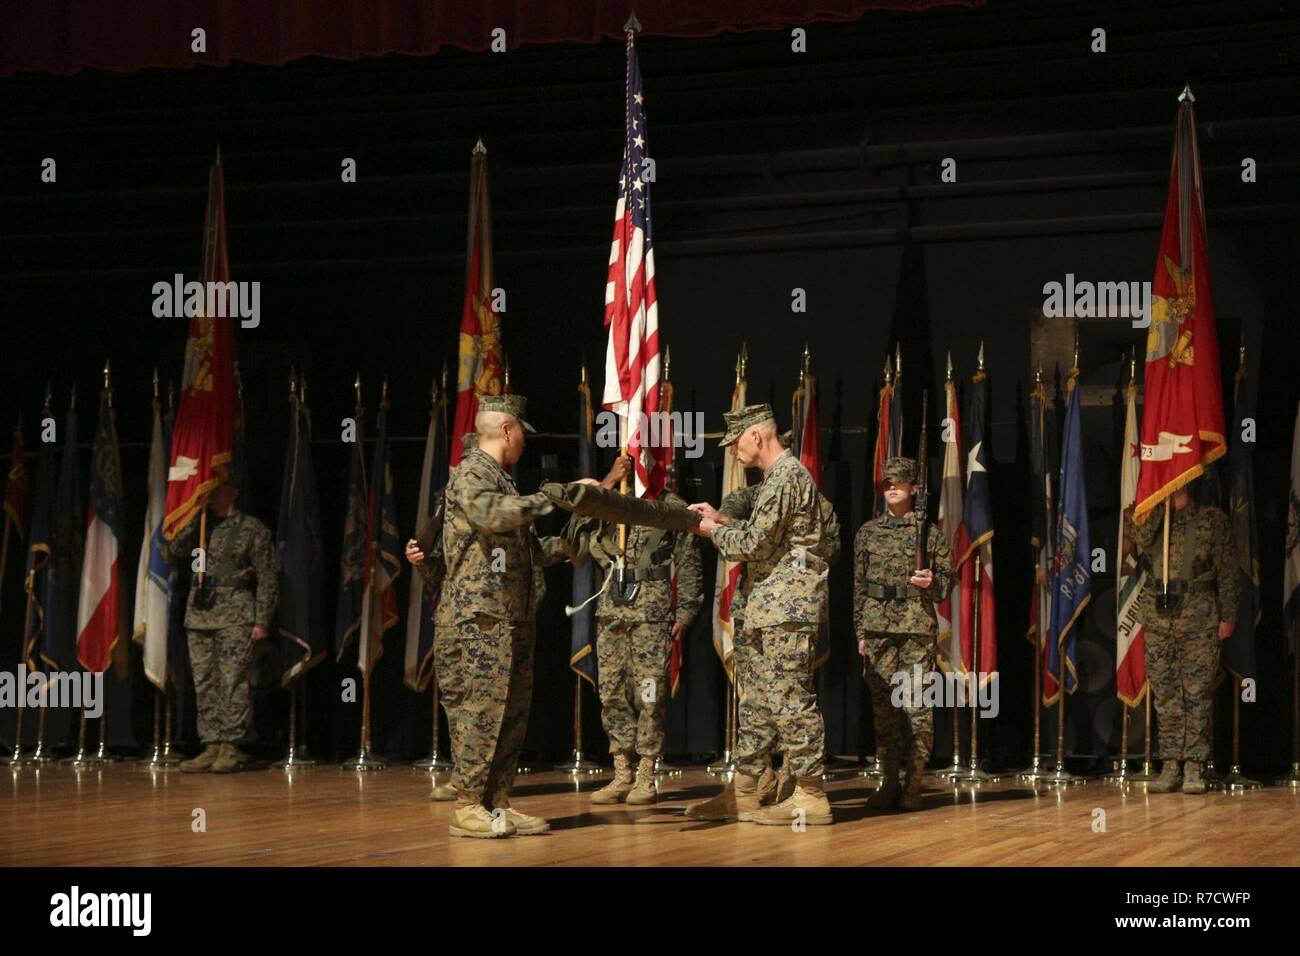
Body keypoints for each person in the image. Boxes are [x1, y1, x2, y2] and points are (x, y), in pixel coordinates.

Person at [405, 394, 589, 838]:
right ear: (507, 430)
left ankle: (497, 803)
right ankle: (468, 804)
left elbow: (518, 551)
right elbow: (492, 518)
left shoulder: (502, 483)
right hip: (479, 621)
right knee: (480, 714)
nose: (525, 439)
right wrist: (549, 500)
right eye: (522, 430)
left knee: (510, 716)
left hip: (509, 618)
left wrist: (565, 546)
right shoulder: (471, 475)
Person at [686, 403, 836, 826]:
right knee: (755, 704)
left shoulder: (787, 476)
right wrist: (720, 518)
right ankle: (746, 792)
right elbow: (763, 535)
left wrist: (714, 530)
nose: (732, 450)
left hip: (786, 609)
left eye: (735, 441)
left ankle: (811, 794)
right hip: (764, 608)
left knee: (790, 699)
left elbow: (753, 544)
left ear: (756, 436)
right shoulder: (774, 480)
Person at [579, 456, 704, 805]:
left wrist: (687, 609)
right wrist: (608, 479)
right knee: (612, 692)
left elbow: (689, 558)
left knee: (649, 693)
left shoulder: (671, 507)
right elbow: (577, 519)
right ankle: (622, 772)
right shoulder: (609, 499)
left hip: (652, 611)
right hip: (612, 610)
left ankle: (647, 773)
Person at [1125, 483, 1237, 794]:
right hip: (1159, 619)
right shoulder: (1152, 517)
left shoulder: (1211, 519)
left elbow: (1227, 570)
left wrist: (1228, 616)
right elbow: (1140, 539)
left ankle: (1193, 766)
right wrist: (1160, 506)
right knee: (1165, 694)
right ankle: (1171, 763)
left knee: (1197, 694)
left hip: (1198, 618)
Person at [853, 456, 951, 811]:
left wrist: (931, 582)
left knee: (917, 708)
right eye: (886, 483)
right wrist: (860, 630)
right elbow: (859, 587)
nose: (891, 488)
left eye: (898, 483)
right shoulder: (867, 533)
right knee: (884, 710)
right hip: (878, 630)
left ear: (913, 489)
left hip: (914, 630)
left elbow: (945, 585)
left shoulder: (930, 533)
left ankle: (914, 782)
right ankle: (889, 780)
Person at [169, 478, 279, 774]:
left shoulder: (252, 529)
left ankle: (231, 745)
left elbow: (267, 577)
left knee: (231, 680)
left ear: (234, 491)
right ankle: (212, 743)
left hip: (236, 614)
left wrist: (262, 621)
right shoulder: (202, 526)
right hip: (200, 613)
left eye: (218, 488)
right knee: (203, 680)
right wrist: (194, 515)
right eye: (208, 489)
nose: (212, 494)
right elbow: (176, 548)